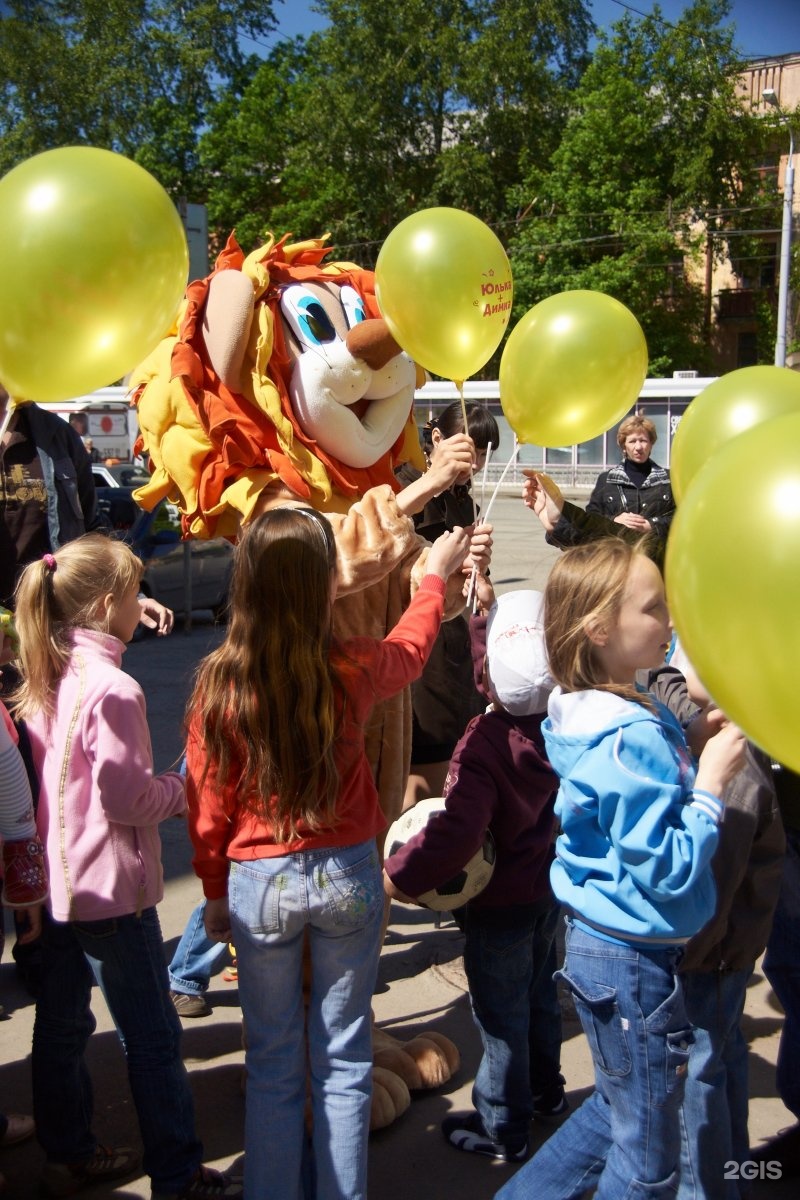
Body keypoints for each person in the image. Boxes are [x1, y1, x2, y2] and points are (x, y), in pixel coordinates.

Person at [184, 506, 474, 1200]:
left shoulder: (219, 683)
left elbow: (207, 808)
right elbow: (410, 650)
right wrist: (431, 580)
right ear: (324, 585)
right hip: (346, 874)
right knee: (344, 1059)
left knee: (276, 1064)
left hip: (261, 883)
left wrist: (215, 895)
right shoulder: (349, 665)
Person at [495, 538, 746, 1200]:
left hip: (608, 953)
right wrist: (712, 787)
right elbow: (665, 870)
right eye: (656, 608)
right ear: (601, 629)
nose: (671, 621)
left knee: (616, 1114)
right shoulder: (627, 738)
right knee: (647, 1163)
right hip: (633, 967)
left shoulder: (594, 699)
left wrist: (696, 725)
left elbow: (670, 695)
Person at [12, 535, 241, 1200]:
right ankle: (176, 1172)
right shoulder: (114, 689)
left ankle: (68, 1151)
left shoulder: (47, 663)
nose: (145, 603)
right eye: (135, 594)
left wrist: (119, 615)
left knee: (60, 1025)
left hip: (60, 881)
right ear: (111, 603)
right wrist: (187, 785)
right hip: (111, 892)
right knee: (153, 1041)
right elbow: (128, 797)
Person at [384, 584, 566, 1163]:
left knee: (500, 1018)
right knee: (540, 999)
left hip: (498, 908)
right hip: (547, 896)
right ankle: (546, 1095)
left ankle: (502, 1128)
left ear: (485, 677)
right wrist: (482, 612)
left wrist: (401, 877)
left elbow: (457, 833)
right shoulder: (562, 720)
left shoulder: (483, 742)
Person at [395, 401, 499, 807]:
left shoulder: (466, 501)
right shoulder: (402, 486)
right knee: (416, 774)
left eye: (482, 458)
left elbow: (476, 583)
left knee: (450, 778)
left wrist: (481, 571)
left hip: (456, 645)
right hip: (416, 644)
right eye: (469, 453)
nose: (472, 468)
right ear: (437, 438)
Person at [582, 413, 674, 541]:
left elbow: (681, 517)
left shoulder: (668, 479)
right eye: (632, 441)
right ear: (624, 446)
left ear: (651, 443)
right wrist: (614, 521)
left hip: (656, 556)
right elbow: (591, 518)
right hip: (618, 555)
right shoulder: (606, 480)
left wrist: (653, 525)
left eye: (643, 440)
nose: (638, 447)